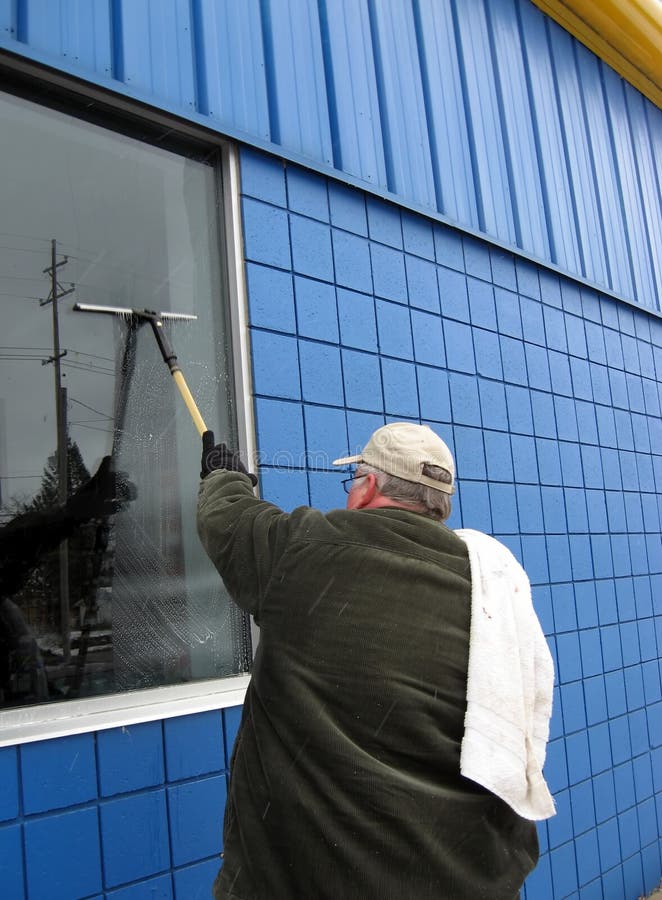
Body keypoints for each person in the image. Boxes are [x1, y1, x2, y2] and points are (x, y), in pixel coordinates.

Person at [197, 422, 555, 900]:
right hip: (461, 880)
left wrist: (224, 476)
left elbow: (228, 521)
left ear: (367, 485)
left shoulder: (304, 551)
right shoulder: (489, 594)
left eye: (354, 481)